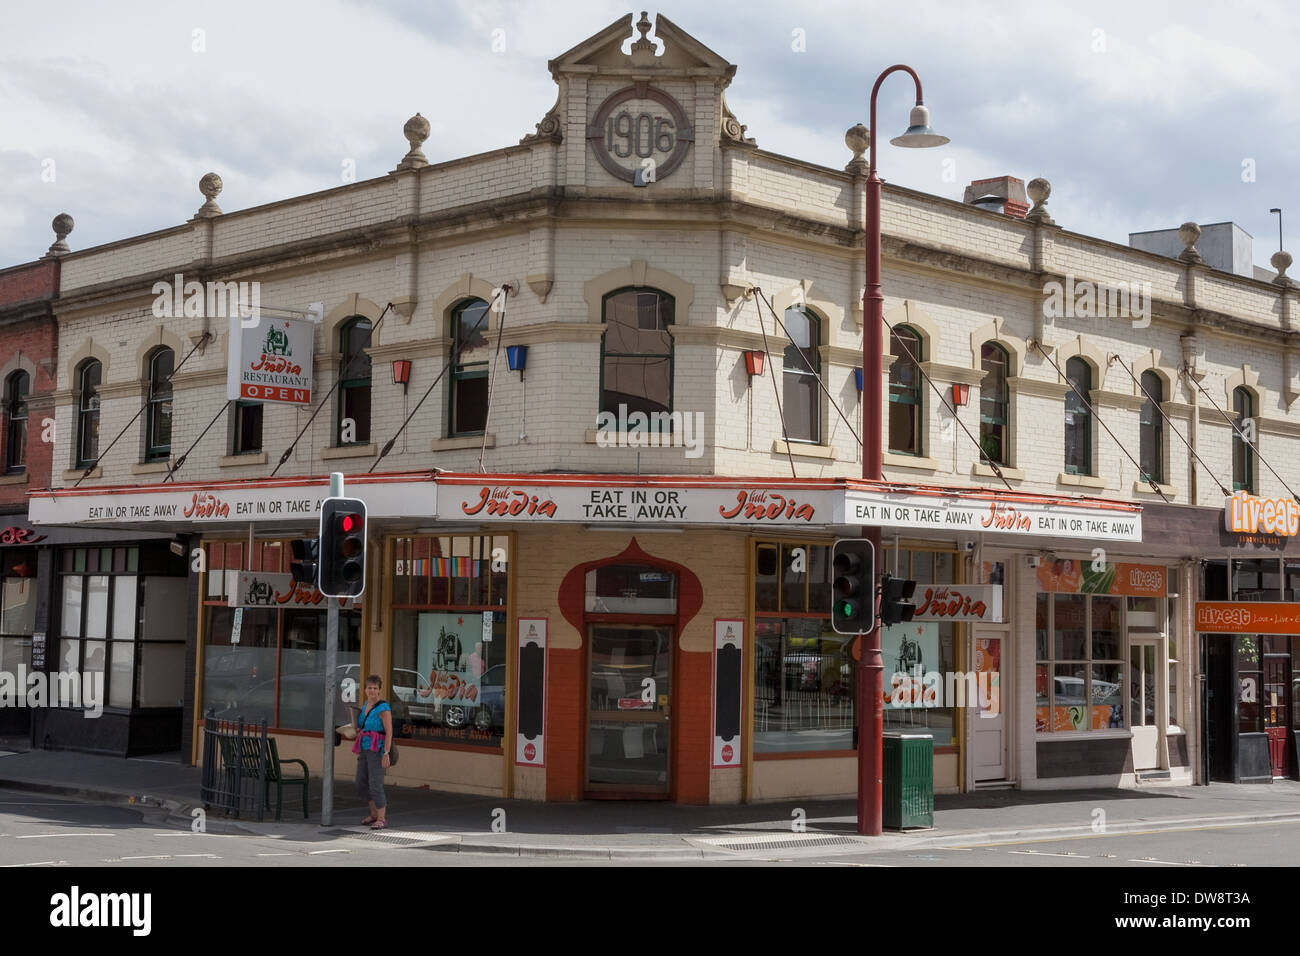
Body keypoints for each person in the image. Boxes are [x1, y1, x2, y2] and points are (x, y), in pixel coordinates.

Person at [354, 675, 393, 830]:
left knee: (375, 784)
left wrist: (386, 753)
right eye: (369, 687)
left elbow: (389, 732)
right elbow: (364, 725)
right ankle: (373, 814)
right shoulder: (365, 705)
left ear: (379, 690)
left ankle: (382, 818)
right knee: (361, 783)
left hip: (377, 749)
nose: (372, 691)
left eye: (375, 688)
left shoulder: (383, 708)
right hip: (364, 747)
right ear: (365, 689)